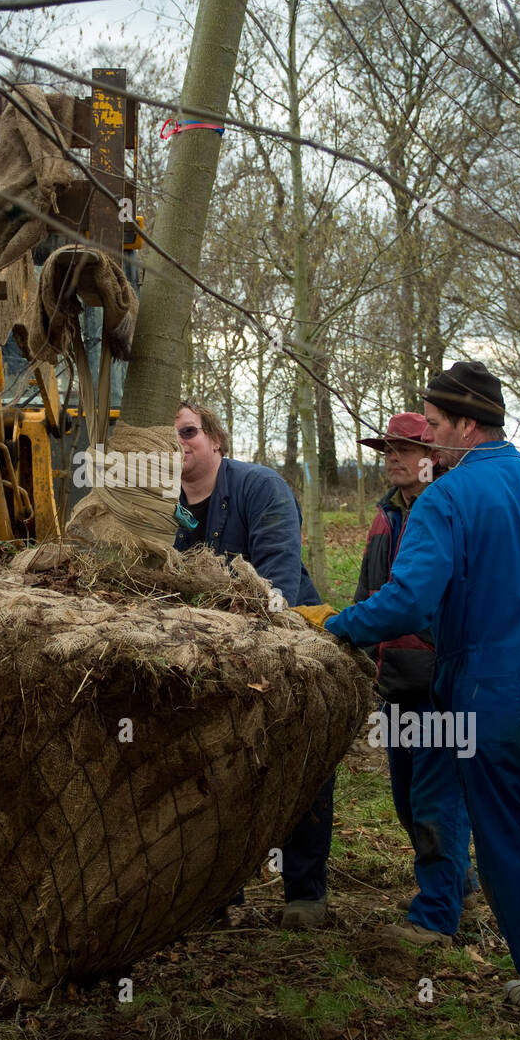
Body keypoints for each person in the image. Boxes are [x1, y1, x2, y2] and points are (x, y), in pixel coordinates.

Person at [324, 362, 520, 1040]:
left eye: (429, 427)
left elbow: (408, 600)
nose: (425, 441)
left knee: (505, 845)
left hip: (489, 699)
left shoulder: (447, 499)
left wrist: (335, 627)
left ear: (464, 425)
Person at [173, 398, 333, 930]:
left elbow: (277, 582)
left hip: (281, 639)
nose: (181, 443)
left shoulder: (260, 487)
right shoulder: (158, 504)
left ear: (215, 439)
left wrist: (243, 639)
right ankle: (217, 893)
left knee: (298, 759)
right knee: (210, 774)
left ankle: (304, 891)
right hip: (197, 654)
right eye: (172, 435)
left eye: (190, 431)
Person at [354, 412, 478, 946]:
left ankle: (434, 919)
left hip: (443, 685)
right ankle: (460, 886)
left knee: (436, 803)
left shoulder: (452, 508)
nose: (394, 458)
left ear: (435, 457)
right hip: (397, 686)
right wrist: (354, 645)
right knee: (407, 802)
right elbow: (370, 593)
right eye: (388, 448)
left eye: (407, 449)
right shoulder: (386, 516)